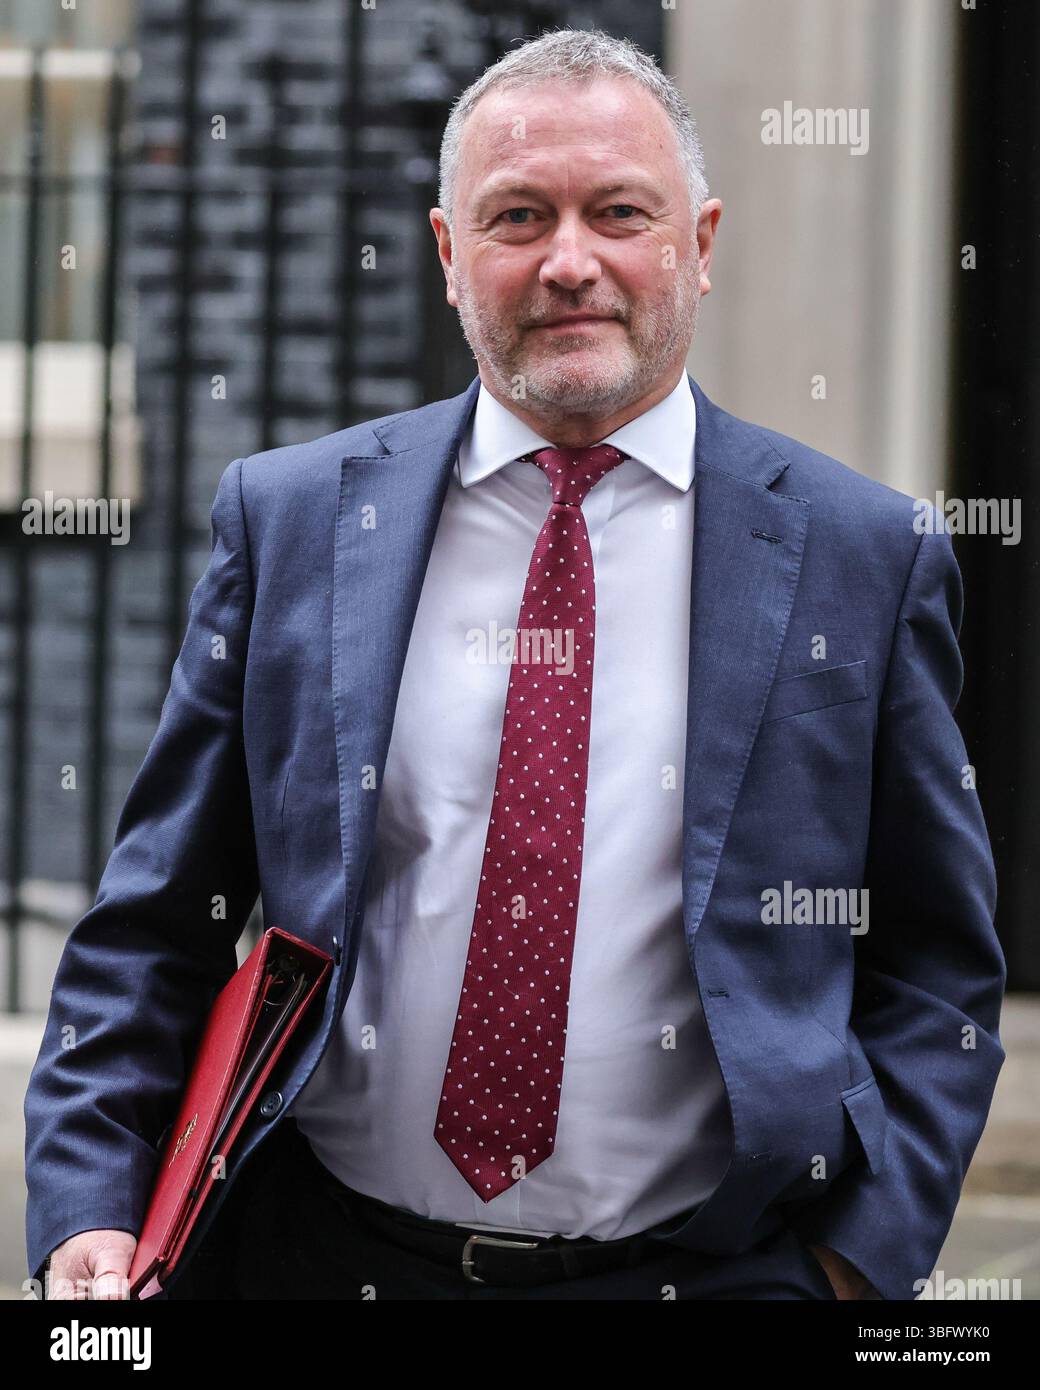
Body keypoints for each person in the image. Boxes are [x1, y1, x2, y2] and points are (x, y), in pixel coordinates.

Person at [26, 28, 1006, 1302]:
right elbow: (159, 914)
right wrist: (89, 1205)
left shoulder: (860, 553)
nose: (568, 261)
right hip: (318, 1257)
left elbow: (936, 966)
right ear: (446, 254)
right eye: (516, 216)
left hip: (707, 1274)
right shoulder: (299, 519)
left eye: (617, 212)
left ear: (697, 245)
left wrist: (852, 1265)